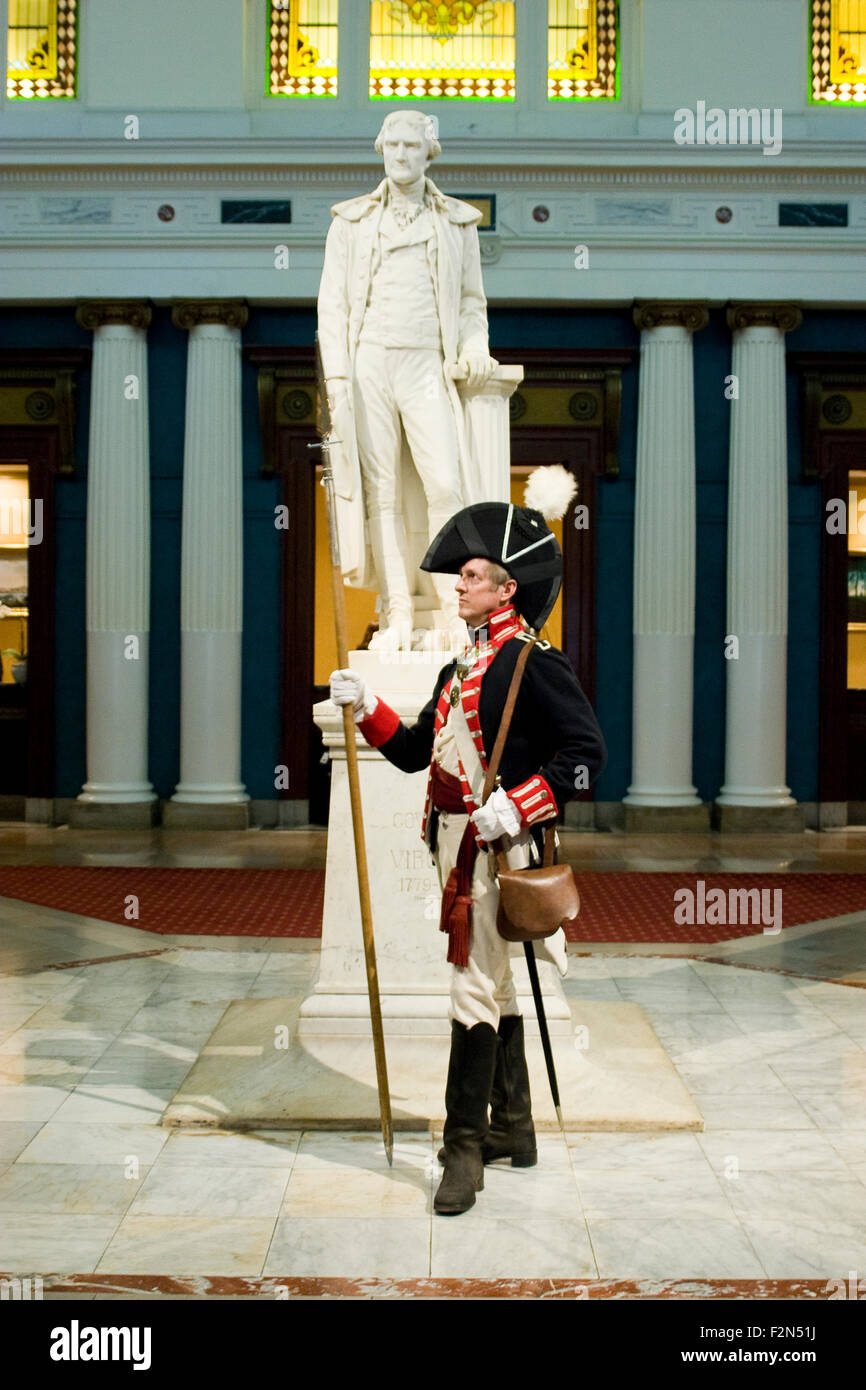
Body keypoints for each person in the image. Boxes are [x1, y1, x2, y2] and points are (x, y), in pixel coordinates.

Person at [330, 467, 607, 1215]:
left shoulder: (531, 661)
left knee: (472, 989)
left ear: (507, 589)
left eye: (473, 575)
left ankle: (464, 1150)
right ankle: (512, 1129)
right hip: (455, 845)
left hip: (496, 850)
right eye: (461, 574)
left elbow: (586, 755)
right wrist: (367, 707)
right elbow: (419, 751)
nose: (458, 585)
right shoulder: (462, 665)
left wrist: (515, 809)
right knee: (498, 983)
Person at [317, 109, 497, 653]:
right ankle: (397, 612)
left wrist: (474, 347)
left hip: (426, 363)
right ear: (381, 149)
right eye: (391, 144)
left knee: (445, 484)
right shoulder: (350, 221)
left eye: (410, 145)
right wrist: (340, 380)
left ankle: (452, 609)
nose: (400, 154)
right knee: (382, 495)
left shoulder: (455, 222)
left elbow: (470, 302)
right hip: (369, 359)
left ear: (429, 152)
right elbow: (333, 307)